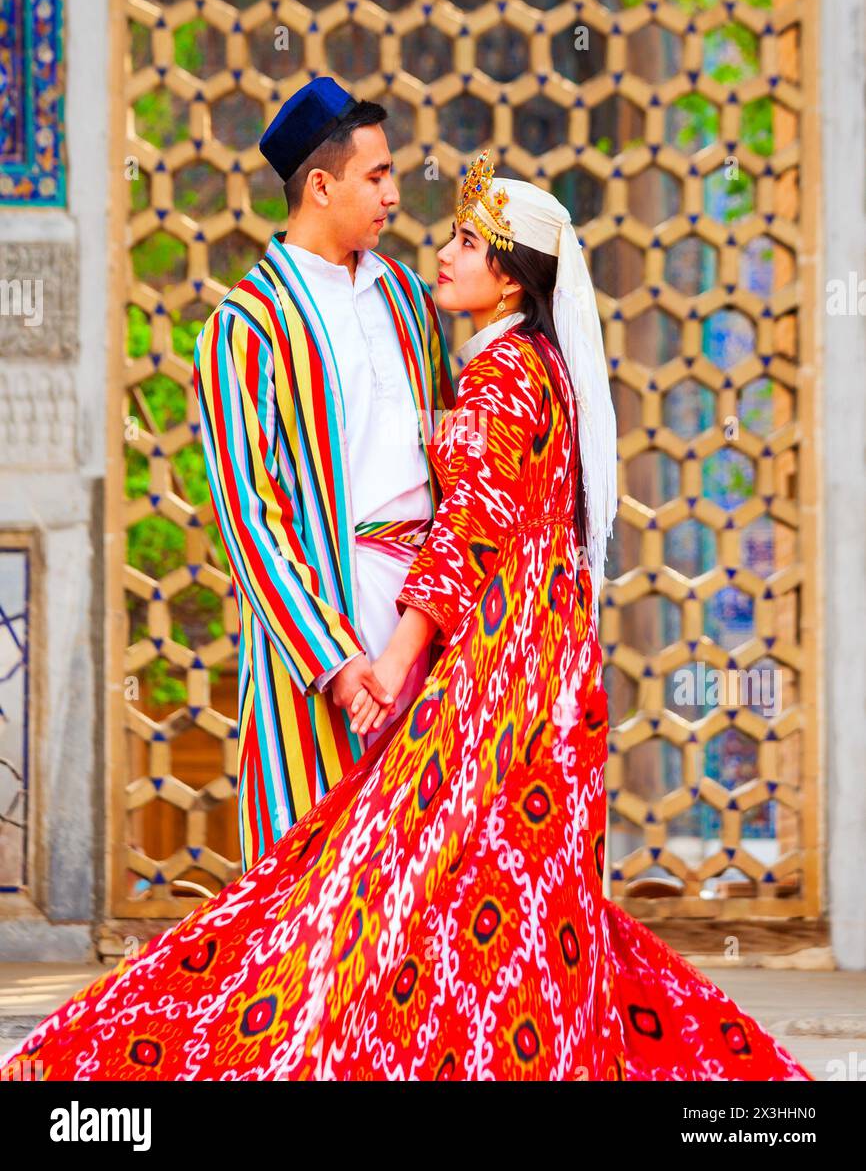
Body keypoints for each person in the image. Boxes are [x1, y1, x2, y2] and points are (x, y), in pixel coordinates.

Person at [0, 152, 813, 1082]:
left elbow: (466, 533)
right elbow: (263, 506)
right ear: (320, 184)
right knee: (509, 894)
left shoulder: (491, 368)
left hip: (495, 678)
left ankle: (170, 1049)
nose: (429, 236)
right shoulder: (485, 356)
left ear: (508, 275)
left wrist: (394, 659)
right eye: (383, 179)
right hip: (536, 673)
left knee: (365, 882)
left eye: (466, 240)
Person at [191, 77, 455, 870]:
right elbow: (249, 516)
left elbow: (447, 451)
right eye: (376, 177)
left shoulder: (409, 296)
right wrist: (338, 666)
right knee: (321, 877)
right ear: (320, 185)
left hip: (425, 613)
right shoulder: (243, 325)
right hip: (322, 632)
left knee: (428, 864)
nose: (393, 196)